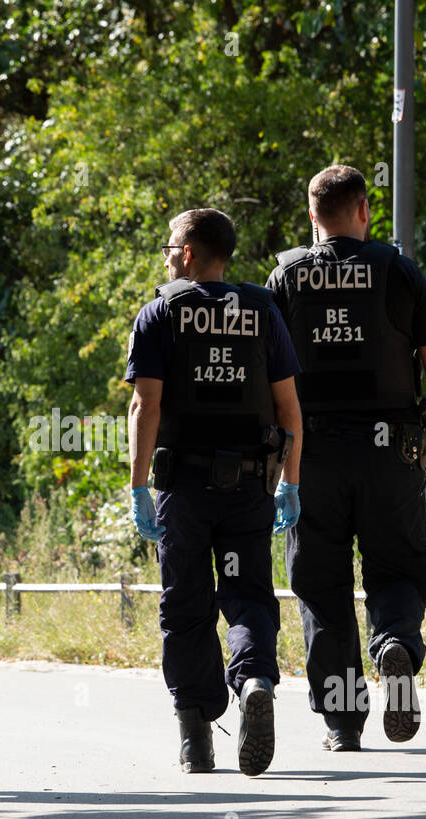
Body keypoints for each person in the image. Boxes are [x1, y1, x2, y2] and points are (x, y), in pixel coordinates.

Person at [265, 165, 426, 752]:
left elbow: (266, 377)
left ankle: (343, 722)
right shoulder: (398, 271)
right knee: (398, 566)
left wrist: (272, 461)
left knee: (321, 584)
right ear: (364, 210)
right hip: (389, 452)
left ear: (311, 216)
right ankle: (396, 640)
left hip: (312, 456)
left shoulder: (285, 278)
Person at [126, 208, 302, 777]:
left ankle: (195, 738)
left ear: (187, 255)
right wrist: (290, 483)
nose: (166, 256)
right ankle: (253, 678)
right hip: (250, 483)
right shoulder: (262, 310)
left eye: (169, 247)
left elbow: (144, 405)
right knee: (248, 594)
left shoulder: (159, 314)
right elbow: (288, 408)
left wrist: (137, 487)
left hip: (183, 487)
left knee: (186, 606)